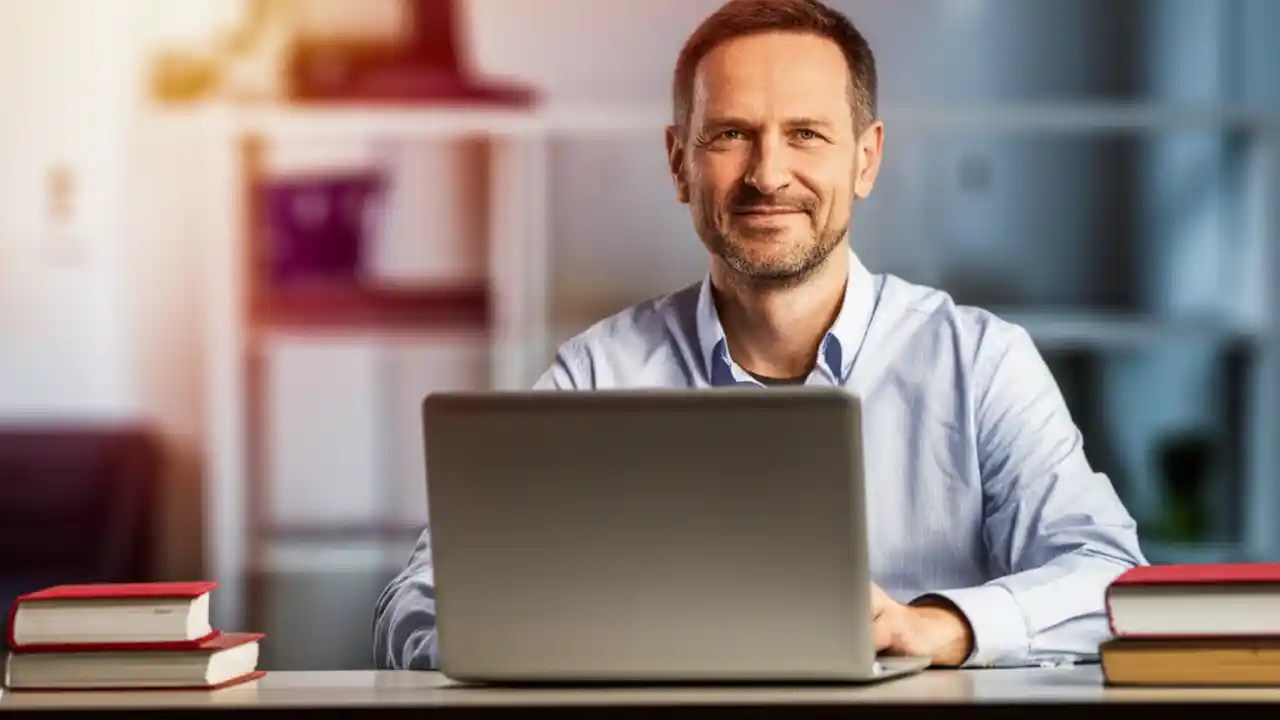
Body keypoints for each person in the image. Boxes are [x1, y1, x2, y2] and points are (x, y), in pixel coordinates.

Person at [375, 0, 1146, 670]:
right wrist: (553, 641)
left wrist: (936, 626)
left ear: (866, 158)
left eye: (806, 133)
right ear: (679, 164)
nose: (768, 174)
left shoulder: (978, 362)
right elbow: (415, 602)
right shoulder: (600, 372)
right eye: (731, 135)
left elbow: (1109, 577)